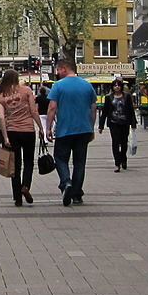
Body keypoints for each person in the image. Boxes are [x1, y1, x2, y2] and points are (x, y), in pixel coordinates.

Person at [46, 58, 97, 206]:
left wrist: (48, 128)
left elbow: (52, 107)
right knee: (79, 162)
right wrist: (91, 127)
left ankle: (66, 182)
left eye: (57, 69)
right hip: (84, 129)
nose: (57, 73)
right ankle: (76, 194)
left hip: (65, 129)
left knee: (61, 159)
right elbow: (93, 108)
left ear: (64, 69)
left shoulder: (58, 86)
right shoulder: (87, 86)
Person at [0, 69, 45, 207]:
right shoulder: (26, 90)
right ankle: (26, 186)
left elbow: (1, 118)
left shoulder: (1, 96)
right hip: (28, 130)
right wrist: (40, 127)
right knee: (28, 162)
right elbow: (34, 111)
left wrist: (5, 137)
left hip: (12, 132)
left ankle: (17, 198)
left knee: (14, 165)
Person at [98, 79, 138, 172]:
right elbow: (105, 112)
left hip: (124, 123)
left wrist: (133, 123)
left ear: (121, 87)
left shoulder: (126, 97)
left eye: (118, 85)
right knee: (115, 142)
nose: (117, 87)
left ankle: (123, 158)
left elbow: (131, 110)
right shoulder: (109, 98)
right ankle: (117, 163)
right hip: (113, 123)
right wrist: (101, 126)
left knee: (124, 142)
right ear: (112, 87)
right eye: (115, 85)